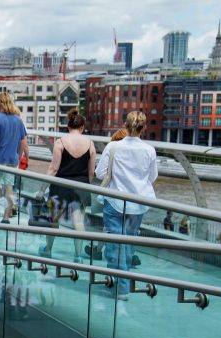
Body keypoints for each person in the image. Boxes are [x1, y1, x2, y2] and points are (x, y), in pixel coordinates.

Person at [95, 111, 157, 300]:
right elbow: (152, 177)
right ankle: (123, 283)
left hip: (114, 201)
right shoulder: (149, 150)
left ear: (125, 125)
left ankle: (119, 286)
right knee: (129, 242)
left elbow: (100, 173)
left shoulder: (113, 146)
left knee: (115, 243)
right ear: (144, 128)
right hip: (138, 204)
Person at [41, 109, 95, 263]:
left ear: (68, 126)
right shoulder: (90, 144)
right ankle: (78, 256)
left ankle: (48, 250)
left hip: (60, 186)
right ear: (82, 127)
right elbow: (91, 172)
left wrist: (42, 189)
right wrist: (86, 187)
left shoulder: (60, 142)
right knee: (78, 222)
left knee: (53, 220)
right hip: (81, 187)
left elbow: (53, 169)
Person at [0, 91, 28, 223]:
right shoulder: (18, 120)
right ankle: (6, 217)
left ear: (1, 104)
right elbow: (23, 142)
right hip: (11, 161)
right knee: (9, 188)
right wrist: (18, 157)